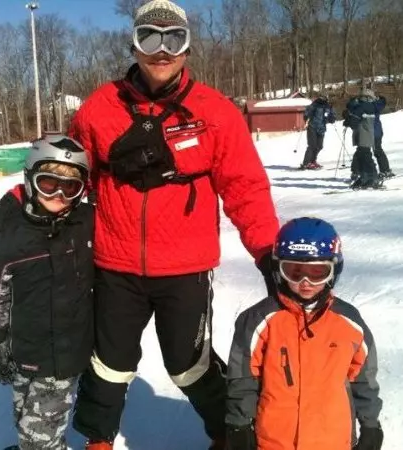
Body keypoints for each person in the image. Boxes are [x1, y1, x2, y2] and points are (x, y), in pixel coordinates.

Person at [67, 0, 279, 449]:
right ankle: (98, 440)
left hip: (184, 268)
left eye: (174, 39)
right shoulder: (98, 109)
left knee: (190, 363)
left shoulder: (215, 111)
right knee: (109, 362)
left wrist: (267, 250)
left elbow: (245, 187)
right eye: (149, 38)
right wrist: (29, 211)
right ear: (134, 43)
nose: (161, 51)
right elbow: (69, 176)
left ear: (187, 47)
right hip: (116, 264)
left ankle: (228, 433)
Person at [225, 217, 383, 450]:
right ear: (279, 269)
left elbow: (363, 380)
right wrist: (238, 425)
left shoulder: (349, 323)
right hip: (274, 441)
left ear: (333, 270)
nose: (305, 282)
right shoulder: (259, 321)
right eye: (294, 271)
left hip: (332, 441)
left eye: (317, 272)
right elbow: (243, 379)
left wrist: (371, 426)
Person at [0, 135, 95, 450]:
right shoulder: (14, 237)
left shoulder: (85, 224)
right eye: (48, 183)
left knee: (40, 437)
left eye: (70, 188)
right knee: (23, 415)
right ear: (30, 180)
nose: (58, 194)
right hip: (25, 349)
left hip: (65, 355)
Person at [344, 88, 393, 189]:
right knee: (365, 153)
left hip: (368, 132)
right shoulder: (374, 105)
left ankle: (369, 175)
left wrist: (349, 119)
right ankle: (365, 175)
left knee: (366, 154)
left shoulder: (363, 106)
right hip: (372, 132)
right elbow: (382, 102)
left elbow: (354, 117)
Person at [300, 94, 336, 170]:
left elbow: (332, 117)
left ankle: (313, 161)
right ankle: (306, 163)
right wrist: (307, 117)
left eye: (325, 99)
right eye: (322, 98)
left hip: (322, 128)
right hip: (312, 127)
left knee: (319, 146)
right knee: (312, 145)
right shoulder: (314, 105)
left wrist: (332, 118)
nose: (324, 100)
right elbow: (306, 113)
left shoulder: (328, 106)